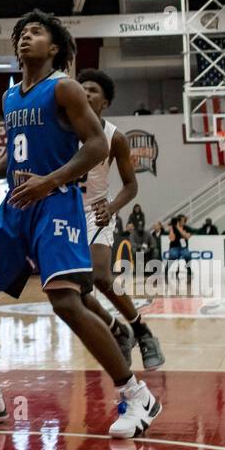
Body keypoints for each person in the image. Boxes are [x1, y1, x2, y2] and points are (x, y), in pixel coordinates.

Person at [0, 11, 160, 436]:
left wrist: (51, 181)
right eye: (21, 32)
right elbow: (19, 156)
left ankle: (137, 396)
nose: (26, 37)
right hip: (16, 203)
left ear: (55, 47)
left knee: (66, 302)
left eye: (36, 32)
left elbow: (96, 145)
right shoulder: (9, 97)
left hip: (57, 203)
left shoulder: (65, 88)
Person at [74, 68, 164, 370]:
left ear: (106, 102)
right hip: (63, 214)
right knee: (77, 293)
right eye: (81, 88)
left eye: (93, 90)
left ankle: (143, 331)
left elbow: (131, 185)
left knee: (100, 275)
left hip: (96, 213)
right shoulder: (61, 130)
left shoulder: (116, 137)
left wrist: (111, 209)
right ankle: (118, 331)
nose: (86, 92)